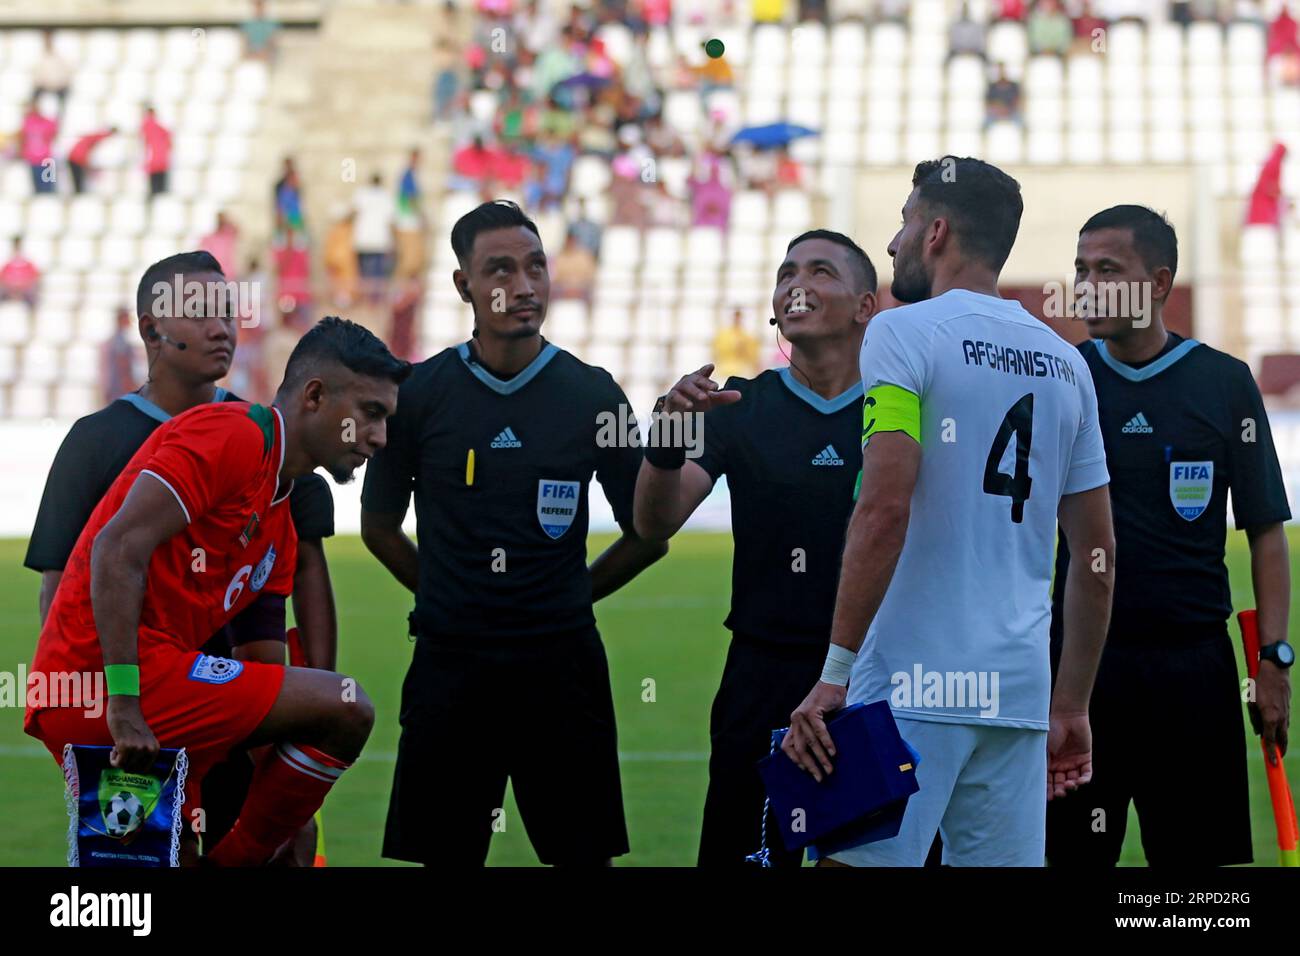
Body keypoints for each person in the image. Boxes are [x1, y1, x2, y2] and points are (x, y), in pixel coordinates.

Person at [781, 157, 1116, 867]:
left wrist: (836, 672)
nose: (894, 242)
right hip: (1017, 696)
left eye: (904, 223)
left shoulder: (902, 335)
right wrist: (1071, 704)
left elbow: (884, 507)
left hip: (906, 687)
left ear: (935, 232)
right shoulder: (1068, 363)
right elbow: (1098, 561)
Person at [26, 315, 409, 867]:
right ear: (316, 396)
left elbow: (263, 670)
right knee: (347, 705)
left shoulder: (279, 519)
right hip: (108, 684)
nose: (379, 437)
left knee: (132, 897)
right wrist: (125, 702)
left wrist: (291, 811)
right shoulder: (232, 434)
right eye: (370, 413)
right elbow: (116, 548)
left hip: (149, 699)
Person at [360, 200, 667, 866]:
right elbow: (378, 526)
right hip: (451, 663)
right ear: (463, 285)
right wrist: (448, 594)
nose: (524, 286)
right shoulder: (417, 394)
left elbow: (649, 532)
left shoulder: (593, 396)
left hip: (561, 664)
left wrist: (573, 593)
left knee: (582, 856)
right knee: (446, 856)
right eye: (500, 268)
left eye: (536, 266)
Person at [1046, 206, 1292, 867]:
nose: (1087, 286)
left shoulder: (1223, 382)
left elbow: (1266, 528)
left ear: (1157, 284)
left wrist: (1275, 659)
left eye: (1107, 270)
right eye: (1079, 270)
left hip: (1194, 671)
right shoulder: (1062, 379)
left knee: (1197, 888)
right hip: (1077, 673)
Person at [635, 231, 876, 866]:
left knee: (859, 861)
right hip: (760, 674)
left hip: (870, 676)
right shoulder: (738, 405)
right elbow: (654, 522)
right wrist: (664, 442)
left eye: (821, 271)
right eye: (787, 272)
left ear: (864, 306)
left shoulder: (898, 407)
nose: (798, 282)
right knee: (744, 859)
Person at [354, 173, 395, 303]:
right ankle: (375, 300)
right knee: (377, 273)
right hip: (380, 241)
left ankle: (366, 298)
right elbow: (391, 221)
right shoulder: (386, 197)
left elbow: (354, 212)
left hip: (363, 240)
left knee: (365, 272)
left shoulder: (361, 195)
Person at [711, 308, 760, 382]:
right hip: (724, 372)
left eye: (739, 318)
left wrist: (743, 348)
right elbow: (716, 354)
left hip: (742, 372)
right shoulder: (723, 335)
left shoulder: (748, 337)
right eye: (735, 317)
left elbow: (754, 358)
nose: (737, 320)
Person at [19, 100, 57, 194]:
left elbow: (53, 132)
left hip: (46, 160)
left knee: (48, 187)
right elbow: (22, 138)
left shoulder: (46, 122)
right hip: (32, 159)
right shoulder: (27, 122)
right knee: (37, 188)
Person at [100, 305, 136, 404]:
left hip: (116, 383)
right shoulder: (120, 339)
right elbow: (122, 361)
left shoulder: (119, 338)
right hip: (119, 384)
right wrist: (127, 381)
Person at [551, 231, 598, 301]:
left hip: (582, 288)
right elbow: (556, 277)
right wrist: (567, 287)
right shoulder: (560, 257)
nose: (570, 243)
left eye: (572, 241)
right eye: (569, 241)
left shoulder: (585, 256)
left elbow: (591, 276)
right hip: (564, 289)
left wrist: (577, 287)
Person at [67, 127, 116, 194]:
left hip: (74, 158)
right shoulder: (92, 139)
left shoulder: (89, 139)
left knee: (78, 179)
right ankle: (78, 193)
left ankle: (79, 192)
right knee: (78, 179)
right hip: (75, 159)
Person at [141, 106, 172, 196]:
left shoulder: (145, 124)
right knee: (160, 178)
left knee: (154, 178)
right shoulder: (159, 125)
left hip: (154, 156)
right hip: (161, 156)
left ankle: (154, 191)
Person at [0, 238, 41, 306]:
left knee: (34, 298)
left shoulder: (28, 264)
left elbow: (35, 277)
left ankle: (33, 315)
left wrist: (23, 286)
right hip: (9, 290)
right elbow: (2, 278)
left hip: (25, 291)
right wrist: (12, 288)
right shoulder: (7, 264)